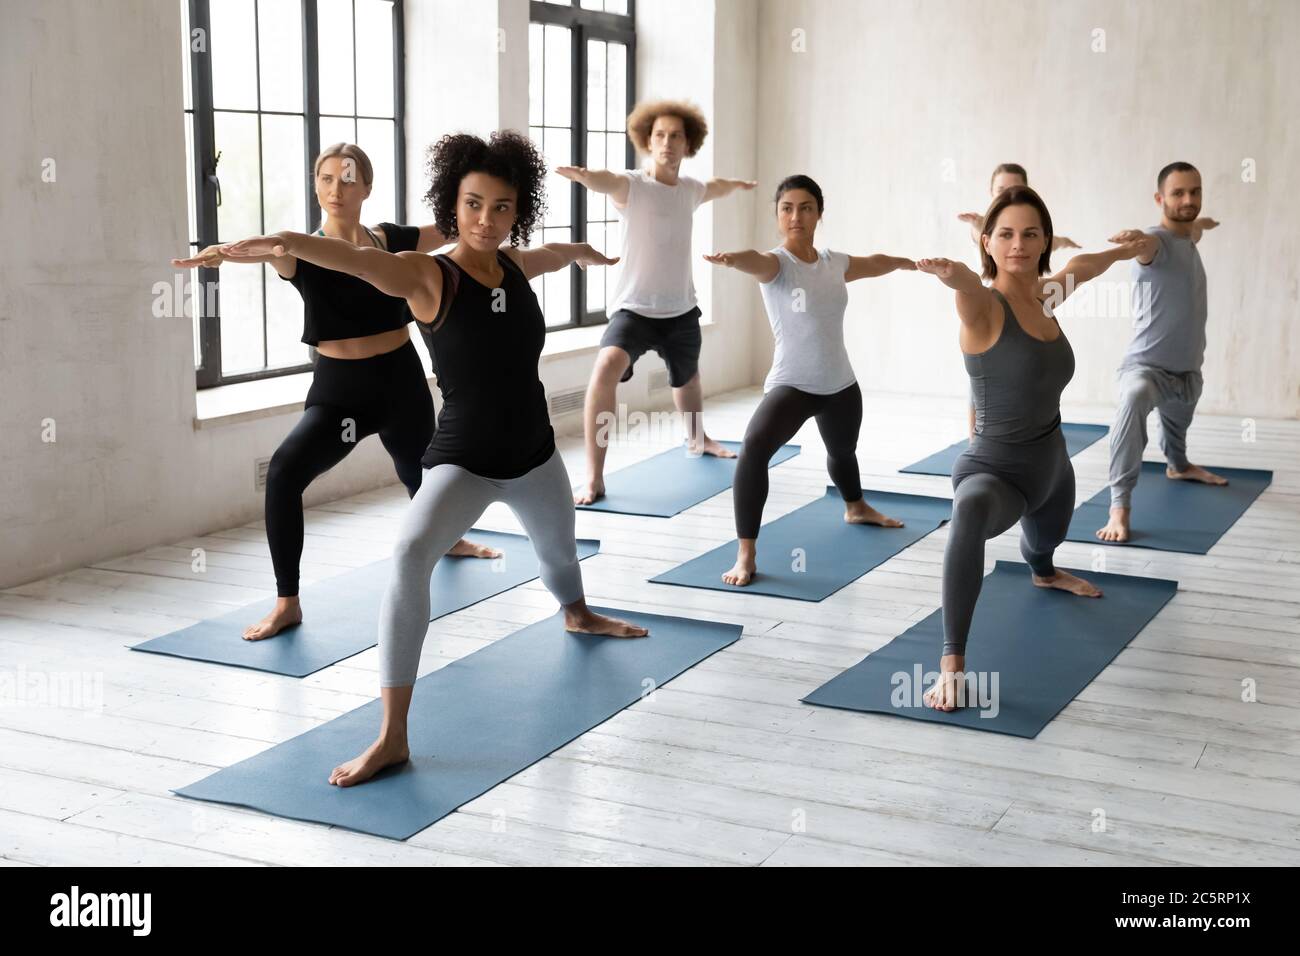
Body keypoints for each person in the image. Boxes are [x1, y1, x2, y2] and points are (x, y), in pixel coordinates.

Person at [221, 131, 648, 785]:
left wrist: (586, 252)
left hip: (535, 456)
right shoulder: (428, 274)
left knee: (560, 557)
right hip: (464, 461)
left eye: (501, 207)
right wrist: (283, 244)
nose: (486, 219)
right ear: (453, 204)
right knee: (410, 553)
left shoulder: (512, 266)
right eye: (473, 204)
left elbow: (551, 255)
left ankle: (578, 613)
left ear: (517, 212)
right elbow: (352, 261)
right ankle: (392, 735)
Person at [172, 143, 497, 642]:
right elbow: (274, 246)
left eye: (348, 179)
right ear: (315, 185)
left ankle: (450, 541)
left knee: (423, 478)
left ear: (367, 187)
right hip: (340, 392)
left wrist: (480, 197)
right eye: (325, 178)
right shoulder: (304, 250)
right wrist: (228, 253)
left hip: (400, 381)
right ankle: (288, 603)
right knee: (283, 473)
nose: (335, 189)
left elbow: (453, 227)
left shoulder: (390, 239)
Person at [915, 185, 1150, 711]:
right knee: (970, 510)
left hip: (1052, 464)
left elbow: (1086, 265)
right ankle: (952, 664)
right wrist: (951, 272)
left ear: (1045, 241)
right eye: (1005, 234)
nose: (1018, 244)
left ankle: (1043, 572)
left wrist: (1125, 249)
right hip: (993, 470)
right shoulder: (984, 305)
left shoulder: (1045, 296)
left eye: (1030, 233)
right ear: (987, 242)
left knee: (1044, 546)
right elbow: (965, 291)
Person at [704, 175, 914, 586]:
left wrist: (908, 263)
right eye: (787, 208)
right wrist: (733, 260)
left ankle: (855, 506)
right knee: (753, 450)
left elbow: (875, 262)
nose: (795, 216)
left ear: (819, 213)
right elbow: (755, 260)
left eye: (805, 208)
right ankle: (746, 553)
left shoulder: (834, 262)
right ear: (778, 216)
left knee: (843, 451)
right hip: (793, 385)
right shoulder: (778, 264)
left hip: (840, 383)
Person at [559, 99, 757, 505]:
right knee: (606, 366)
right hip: (634, 309)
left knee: (687, 379)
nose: (667, 143)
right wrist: (583, 176)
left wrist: (736, 185)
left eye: (676, 136)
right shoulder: (633, 186)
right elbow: (606, 180)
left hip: (681, 309)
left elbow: (715, 186)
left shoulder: (690, 189)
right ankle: (594, 477)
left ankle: (698, 438)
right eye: (660, 136)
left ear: (689, 144)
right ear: (648, 141)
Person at [1096, 162, 1224, 543]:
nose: (1188, 200)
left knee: (1176, 440)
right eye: (1178, 193)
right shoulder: (1156, 242)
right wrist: (1135, 238)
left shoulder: (1189, 235)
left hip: (1188, 373)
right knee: (1133, 399)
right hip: (1147, 368)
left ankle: (1179, 466)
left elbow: (1195, 228)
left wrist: (1206, 223)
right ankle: (1119, 506)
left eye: (1195, 192)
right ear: (1159, 199)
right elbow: (1148, 244)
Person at [957, 163, 1079, 438]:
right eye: (1002, 189)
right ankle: (976, 438)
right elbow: (982, 235)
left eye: (1016, 188)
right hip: (990, 311)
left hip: (1024, 302)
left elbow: (1050, 242)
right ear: (991, 192)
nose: (1017, 243)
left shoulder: (1031, 230)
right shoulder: (987, 229)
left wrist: (1063, 241)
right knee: (982, 381)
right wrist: (977, 226)